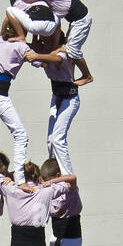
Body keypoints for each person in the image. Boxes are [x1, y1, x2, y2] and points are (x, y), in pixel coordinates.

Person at [0, 7, 64, 184]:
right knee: (21, 135)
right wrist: (58, 47)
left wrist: (18, 17)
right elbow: (42, 62)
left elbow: (8, 25)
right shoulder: (21, 46)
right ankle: (19, 177)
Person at [17, 0, 93, 67]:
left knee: (73, 50)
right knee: (67, 48)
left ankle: (87, 76)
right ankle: (72, 75)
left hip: (81, 18)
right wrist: (55, 46)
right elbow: (57, 25)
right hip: (75, 19)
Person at [37, 36, 92, 178]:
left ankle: (67, 176)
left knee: (57, 138)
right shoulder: (47, 54)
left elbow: (57, 60)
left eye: (48, 41)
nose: (45, 44)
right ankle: (53, 174)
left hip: (70, 99)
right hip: (56, 98)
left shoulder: (63, 54)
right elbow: (40, 58)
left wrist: (37, 54)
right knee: (50, 141)